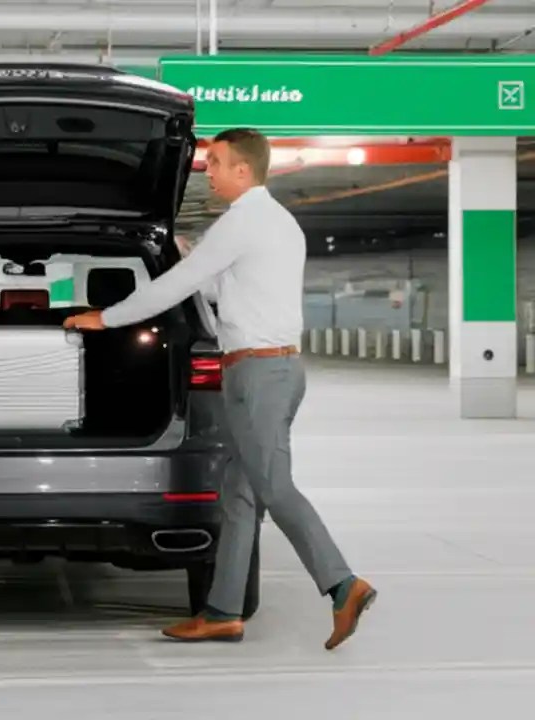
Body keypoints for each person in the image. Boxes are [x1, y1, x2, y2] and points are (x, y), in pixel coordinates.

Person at [63, 128, 376, 650]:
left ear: (244, 170)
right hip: (263, 370)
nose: (207, 171)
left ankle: (342, 585)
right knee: (239, 493)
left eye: (216, 161)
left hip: (259, 375)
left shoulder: (244, 221)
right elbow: (216, 287)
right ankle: (223, 611)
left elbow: (178, 286)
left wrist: (107, 318)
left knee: (273, 487)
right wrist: (192, 258)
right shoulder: (276, 223)